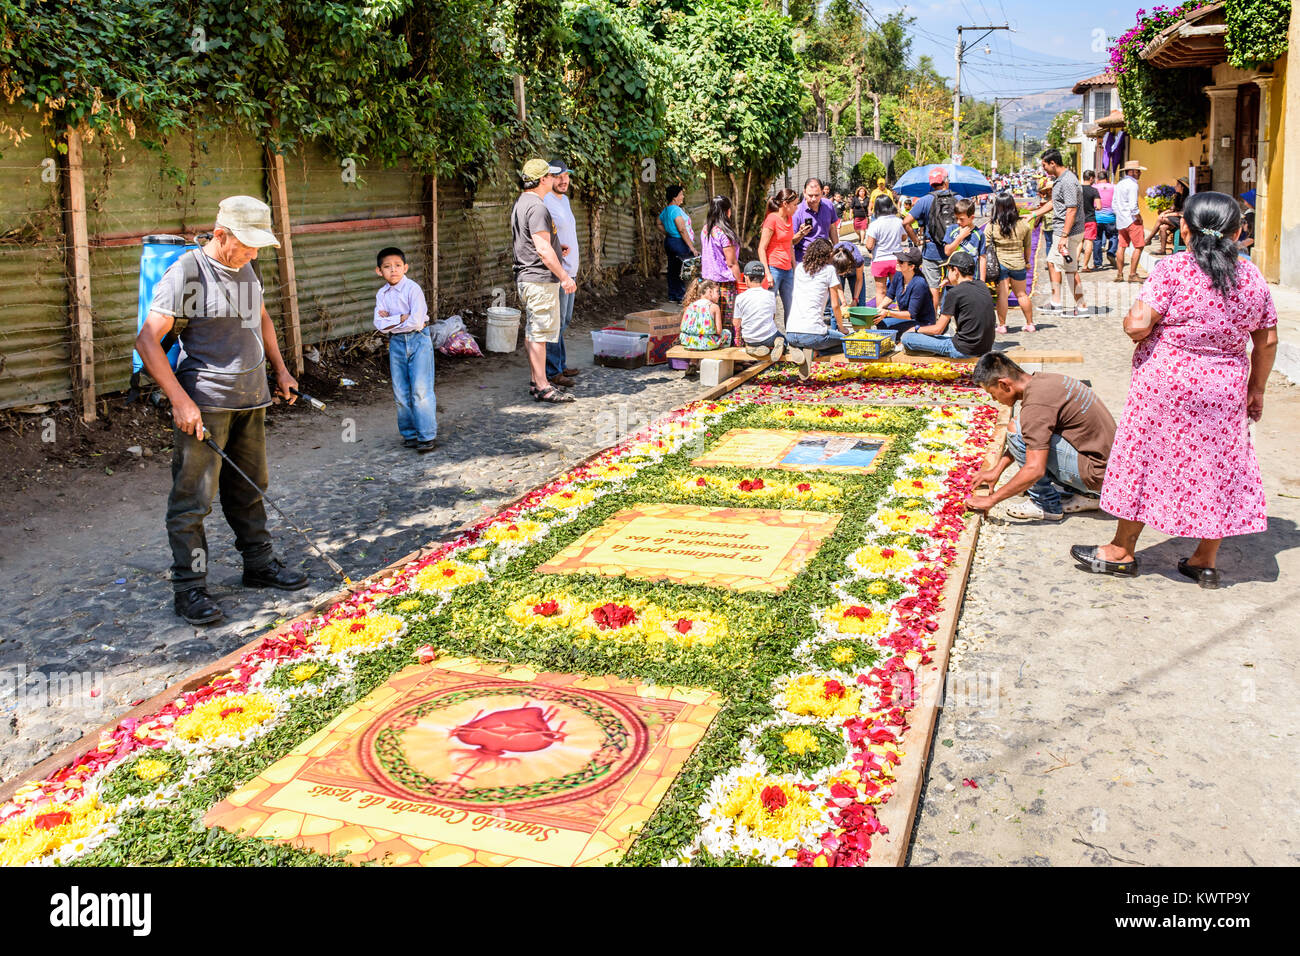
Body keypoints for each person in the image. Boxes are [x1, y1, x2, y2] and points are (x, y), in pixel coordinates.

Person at [1071, 192, 1278, 587]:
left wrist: (1139, 319)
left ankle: (1121, 550)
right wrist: (1257, 389)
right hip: (1223, 389)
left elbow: (1136, 326)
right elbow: (1266, 341)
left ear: (1185, 228)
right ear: (1238, 232)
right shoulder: (1251, 276)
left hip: (1166, 386)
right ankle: (1204, 559)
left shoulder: (1174, 269)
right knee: (1216, 466)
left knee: (1144, 459)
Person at [136, 195, 307, 626]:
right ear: (221, 234)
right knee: (193, 500)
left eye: (257, 247)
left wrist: (281, 370)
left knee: (250, 487)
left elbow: (262, 319)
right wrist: (180, 400)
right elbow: (146, 342)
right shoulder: (188, 272)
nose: (252, 254)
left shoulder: (245, 266)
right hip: (206, 403)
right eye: (246, 245)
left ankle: (259, 566)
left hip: (252, 397)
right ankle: (190, 588)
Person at [964, 353, 1115, 521]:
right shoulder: (1045, 381)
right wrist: (997, 470)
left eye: (992, 393)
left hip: (1098, 474)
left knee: (1016, 429)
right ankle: (1084, 493)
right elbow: (1031, 436)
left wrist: (991, 499)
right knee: (1021, 425)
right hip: (1109, 467)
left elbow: (1035, 468)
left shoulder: (1036, 406)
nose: (994, 399)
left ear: (1004, 385)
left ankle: (1045, 504)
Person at [511, 157, 575, 404]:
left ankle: (535, 380)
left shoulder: (523, 202)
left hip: (528, 278)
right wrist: (564, 276)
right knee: (539, 335)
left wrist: (559, 248)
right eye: (550, 176)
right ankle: (543, 385)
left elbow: (537, 242)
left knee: (533, 332)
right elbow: (542, 248)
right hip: (539, 279)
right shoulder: (538, 207)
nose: (555, 179)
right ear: (542, 180)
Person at [373, 246, 436, 453]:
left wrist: (390, 320)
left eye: (398, 266)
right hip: (397, 343)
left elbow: (417, 322)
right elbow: (379, 325)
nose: (393, 270)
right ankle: (409, 434)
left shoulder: (413, 290)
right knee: (400, 391)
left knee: (421, 390)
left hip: (419, 340)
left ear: (406, 267)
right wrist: (400, 318)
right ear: (379, 271)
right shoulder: (381, 294)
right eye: (387, 267)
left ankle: (426, 436)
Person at [900, 251, 995, 359]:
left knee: (907, 338)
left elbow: (938, 329)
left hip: (962, 350)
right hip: (985, 348)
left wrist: (916, 329)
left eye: (948, 270)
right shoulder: (982, 286)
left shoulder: (954, 293)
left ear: (955, 270)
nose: (946, 275)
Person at [783, 237, 852, 378]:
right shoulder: (829, 271)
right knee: (849, 342)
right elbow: (835, 305)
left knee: (810, 338)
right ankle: (814, 352)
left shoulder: (800, 268)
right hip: (813, 334)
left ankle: (798, 348)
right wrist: (841, 328)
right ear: (827, 255)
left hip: (790, 332)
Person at [543, 160, 581, 387]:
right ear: (548, 178)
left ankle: (560, 363)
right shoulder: (544, 202)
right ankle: (552, 371)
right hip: (558, 272)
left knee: (564, 320)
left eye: (566, 176)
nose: (564, 180)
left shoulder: (564, 201)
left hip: (571, 270)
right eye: (558, 177)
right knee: (555, 323)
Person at [899, 166, 957, 314]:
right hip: (954, 249)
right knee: (955, 284)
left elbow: (906, 222)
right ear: (946, 182)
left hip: (931, 250)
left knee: (933, 287)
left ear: (931, 183)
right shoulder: (958, 199)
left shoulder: (924, 201)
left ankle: (933, 319)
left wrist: (917, 241)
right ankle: (951, 318)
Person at [1038, 148, 1087, 316]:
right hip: (1066, 231)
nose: (1043, 168)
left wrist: (1064, 236)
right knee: (1057, 264)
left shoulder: (1067, 181)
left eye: (1044, 165)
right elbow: (1055, 203)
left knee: (1067, 268)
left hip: (1068, 232)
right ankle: (1059, 302)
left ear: (1053, 163)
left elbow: (1071, 209)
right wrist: (1035, 213)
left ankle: (1075, 305)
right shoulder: (1062, 179)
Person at [700, 195, 746, 345]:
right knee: (727, 320)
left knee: (711, 319)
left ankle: (710, 348)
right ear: (728, 212)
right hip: (724, 284)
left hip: (707, 283)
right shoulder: (724, 233)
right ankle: (729, 354)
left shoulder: (705, 230)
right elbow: (732, 263)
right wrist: (740, 283)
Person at [987, 192, 1035, 334]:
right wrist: (1027, 261)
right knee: (1021, 294)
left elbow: (984, 243)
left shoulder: (993, 225)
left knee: (1002, 295)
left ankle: (1002, 325)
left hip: (1000, 264)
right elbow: (1027, 247)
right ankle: (1030, 323)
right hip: (1018, 263)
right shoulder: (1023, 225)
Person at [758, 188, 798, 320]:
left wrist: (794, 266)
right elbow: (761, 248)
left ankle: (791, 339)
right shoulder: (771, 220)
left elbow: (789, 244)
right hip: (773, 268)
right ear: (785, 204)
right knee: (769, 308)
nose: (796, 208)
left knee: (791, 307)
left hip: (787, 269)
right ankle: (768, 338)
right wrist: (767, 273)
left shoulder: (790, 218)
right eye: (794, 205)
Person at [875, 247, 934, 334]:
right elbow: (890, 295)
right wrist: (879, 309)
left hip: (922, 323)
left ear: (912, 267)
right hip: (908, 318)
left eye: (901, 262)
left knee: (888, 327)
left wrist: (888, 313)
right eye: (898, 259)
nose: (897, 262)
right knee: (879, 320)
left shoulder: (919, 284)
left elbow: (911, 314)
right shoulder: (899, 274)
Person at [735, 260, 785, 358]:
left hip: (750, 339)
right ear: (763, 279)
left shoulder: (740, 297)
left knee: (749, 344)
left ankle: (752, 349)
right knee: (782, 337)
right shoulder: (770, 295)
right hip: (769, 338)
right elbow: (773, 316)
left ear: (746, 278)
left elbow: (736, 323)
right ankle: (779, 343)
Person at [863, 194, 906, 308]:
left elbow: (870, 245)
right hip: (896, 260)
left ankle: (881, 318)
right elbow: (904, 238)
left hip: (880, 260)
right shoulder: (898, 221)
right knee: (898, 289)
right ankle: (900, 314)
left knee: (880, 291)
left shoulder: (875, 224)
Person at [657, 184, 696, 303]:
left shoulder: (666, 210)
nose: (683, 197)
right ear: (674, 197)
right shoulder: (675, 210)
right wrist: (692, 248)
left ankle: (673, 296)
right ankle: (681, 297)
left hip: (670, 241)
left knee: (672, 269)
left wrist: (668, 233)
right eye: (681, 194)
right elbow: (682, 230)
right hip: (679, 242)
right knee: (682, 269)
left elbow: (658, 223)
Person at [1112, 160, 1147, 283]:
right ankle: (1132, 274)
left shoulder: (1120, 184)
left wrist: (1120, 215)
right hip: (1132, 220)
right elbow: (1133, 206)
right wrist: (1139, 217)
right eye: (1138, 171)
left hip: (1121, 220)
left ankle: (1120, 273)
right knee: (1139, 246)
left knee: (1121, 246)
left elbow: (1114, 204)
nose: (1140, 173)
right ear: (1131, 171)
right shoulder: (1133, 185)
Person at [792, 178, 839, 263]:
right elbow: (791, 241)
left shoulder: (828, 205)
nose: (813, 199)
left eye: (817, 195)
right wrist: (801, 233)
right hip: (804, 260)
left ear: (822, 192)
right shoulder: (796, 212)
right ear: (804, 193)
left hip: (826, 258)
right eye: (810, 195)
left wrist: (836, 249)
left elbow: (832, 228)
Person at [941, 197, 988, 283]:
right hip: (953, 279)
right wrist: (960, 237)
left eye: (961, 219)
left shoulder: (979, 234)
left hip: (972, 279)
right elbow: (947, 251)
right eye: (956, 218)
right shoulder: (952, 230)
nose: (958, 222)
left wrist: (982, 281)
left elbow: (982, 258)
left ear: (972, 217)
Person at [677, 278, 730, 351]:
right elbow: (719, 331)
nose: (719, 295)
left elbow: (681, 327)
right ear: (710, 292)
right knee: (727, 333)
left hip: (688, 342)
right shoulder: (714, 307)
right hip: (707, 343)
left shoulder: (690, 306)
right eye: (717, 292)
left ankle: (694, 361)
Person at [1147, 176, 1188, 254]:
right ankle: (1162, 250)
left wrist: (1167, 215)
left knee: (1161, 219)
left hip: (1184, 221)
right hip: (1176, 220)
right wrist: (1164, 212)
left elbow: (1183, 213)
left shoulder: (1188, 198)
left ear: (1182, 187)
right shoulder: (1178, 196)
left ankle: (1149, 239)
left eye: (1177, 185)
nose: (1175, 186)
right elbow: (1173, 208)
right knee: (1163, 227)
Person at [1093, 169, 1118, 269]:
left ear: (1097, 179)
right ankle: (1111, 252)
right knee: (1114, 236)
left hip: (1097, 217)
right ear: (1107, 178)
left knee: (1097, 239)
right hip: (1111, 217)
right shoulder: (1114, 187)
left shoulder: (1094, 187)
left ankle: (1098, 263)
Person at [1078, 170, 1101, 273]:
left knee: (1079, 242)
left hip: (1078, 219)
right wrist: (1094, 208)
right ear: (1091, 178)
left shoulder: (1077, 190)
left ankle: (1074, 264)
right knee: (1089, 242)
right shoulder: (1094, 191)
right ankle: (1085, 266)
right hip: (1090, 219)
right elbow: (1099, 206)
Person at [834, 239, 867, 308]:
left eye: (843, 273)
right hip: (841, 265)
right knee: (836, 300)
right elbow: (836, 284)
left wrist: (855, 299)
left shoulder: (858, 260)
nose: (842, 275)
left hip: (854, 270)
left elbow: (859, 280)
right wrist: (843, 301)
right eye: (840, 274)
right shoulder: (833, 260)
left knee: (860, 303)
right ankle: (834, 317)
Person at [1238, 189, 1256, 256]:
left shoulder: (1250, 215)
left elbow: (1251, 237)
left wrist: (1239, 246)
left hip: (1247, 248)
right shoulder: (1250, 213)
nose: (1244, 201)